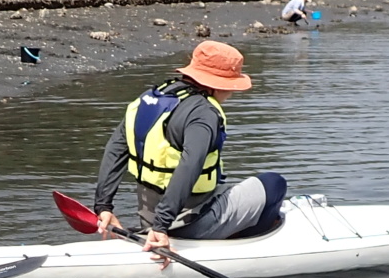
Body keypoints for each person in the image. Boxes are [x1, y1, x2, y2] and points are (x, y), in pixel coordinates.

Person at [89, 40, 286, 261]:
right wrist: (162, 227)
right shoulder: (204, 113)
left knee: (226, 187)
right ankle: (244, 244)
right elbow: (190, 166)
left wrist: (103, 206)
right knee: (274, 183)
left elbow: (115, 150)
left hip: (150, 218)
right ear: (218, 84)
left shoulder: (148, 99)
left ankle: (160, 228)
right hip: (186, 225)